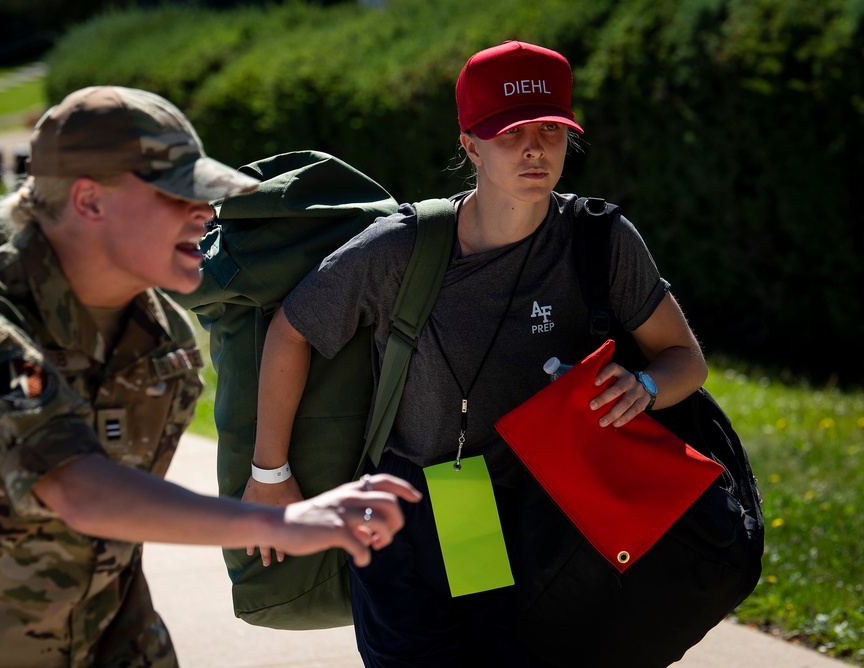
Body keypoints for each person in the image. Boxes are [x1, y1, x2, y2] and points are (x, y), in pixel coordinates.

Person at [0, 85, 421, 667]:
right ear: (89, 201)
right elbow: (79, 491)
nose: (204, 213)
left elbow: (111, 549)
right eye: (176, 196)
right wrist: (279, 523)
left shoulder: (162, 344)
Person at [242, 41, 709, 666]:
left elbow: (685, 358)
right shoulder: (403, 247)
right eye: (511, 132)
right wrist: (269, 475)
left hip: (539, 517)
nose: (535, 148)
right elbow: (291, 329)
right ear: (471, 144)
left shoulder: (599, 239)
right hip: (407, 511)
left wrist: (646, 388)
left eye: (551, 130)